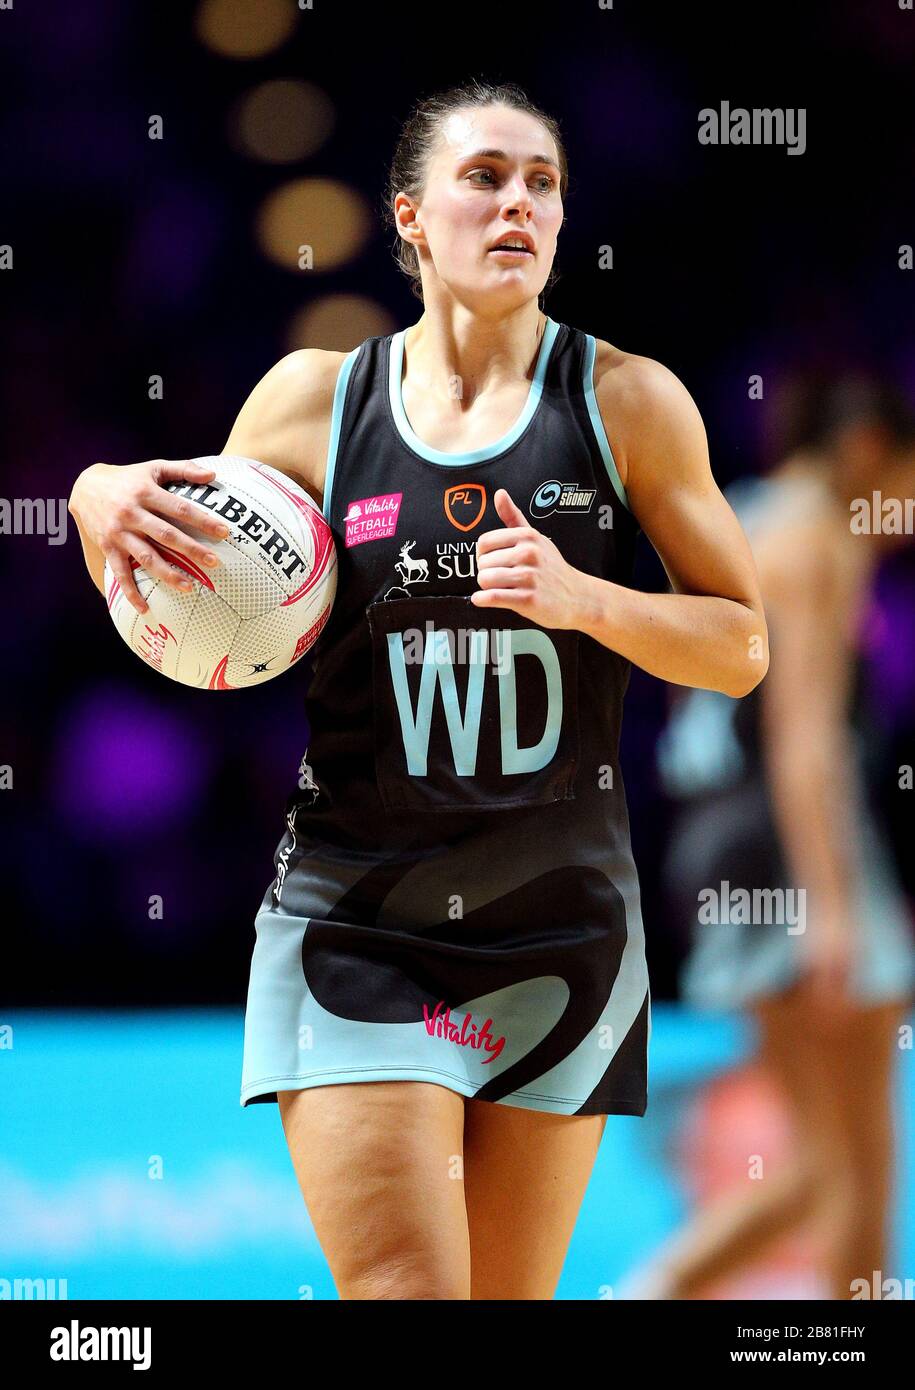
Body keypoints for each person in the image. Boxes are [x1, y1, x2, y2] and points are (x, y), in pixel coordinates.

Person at [66, 79, 767, 1300]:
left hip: (562, 921)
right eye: (486, 177)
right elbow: (185, 589)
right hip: (358, 914)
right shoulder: (310, 402)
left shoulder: (628, 403)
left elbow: (740, 644)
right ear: (409, 217)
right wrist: (90, 493)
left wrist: (587, 598)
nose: (520, 204)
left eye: (543, 182)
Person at [635, 371, 915, 1299]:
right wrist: (830, 911)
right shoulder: (817, 538)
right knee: (860, 1160)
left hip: (717, 845)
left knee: (822, 1160)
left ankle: (653, 1291)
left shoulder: (738, 520)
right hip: (792, 852)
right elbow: (805, 744)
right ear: (868, 454)